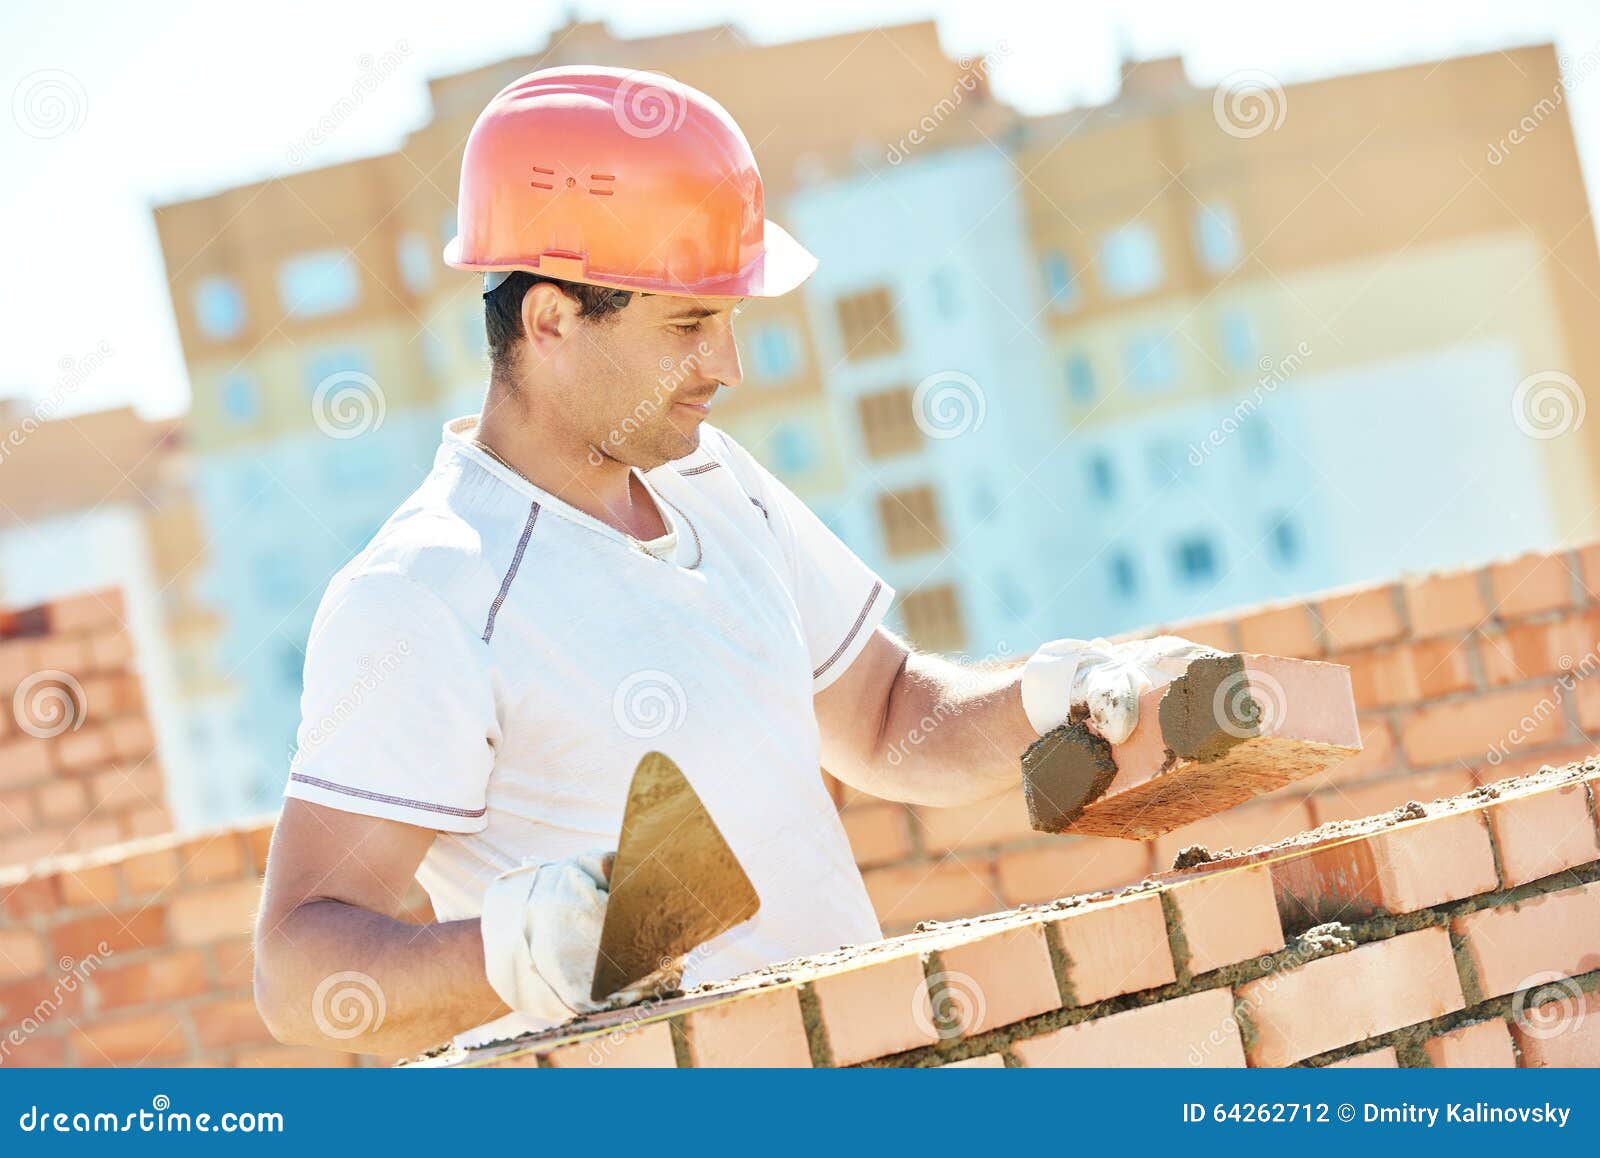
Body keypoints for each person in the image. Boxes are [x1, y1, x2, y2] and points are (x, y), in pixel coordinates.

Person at [252, 65, 1207, 1057]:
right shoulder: (425, 594)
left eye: (726, 319)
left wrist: (1059, 695)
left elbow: (887, 718)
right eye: (688, 325)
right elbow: (296, 969)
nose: (727, 365)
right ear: (549, 321)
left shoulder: (712, 478)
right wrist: (525, 951)